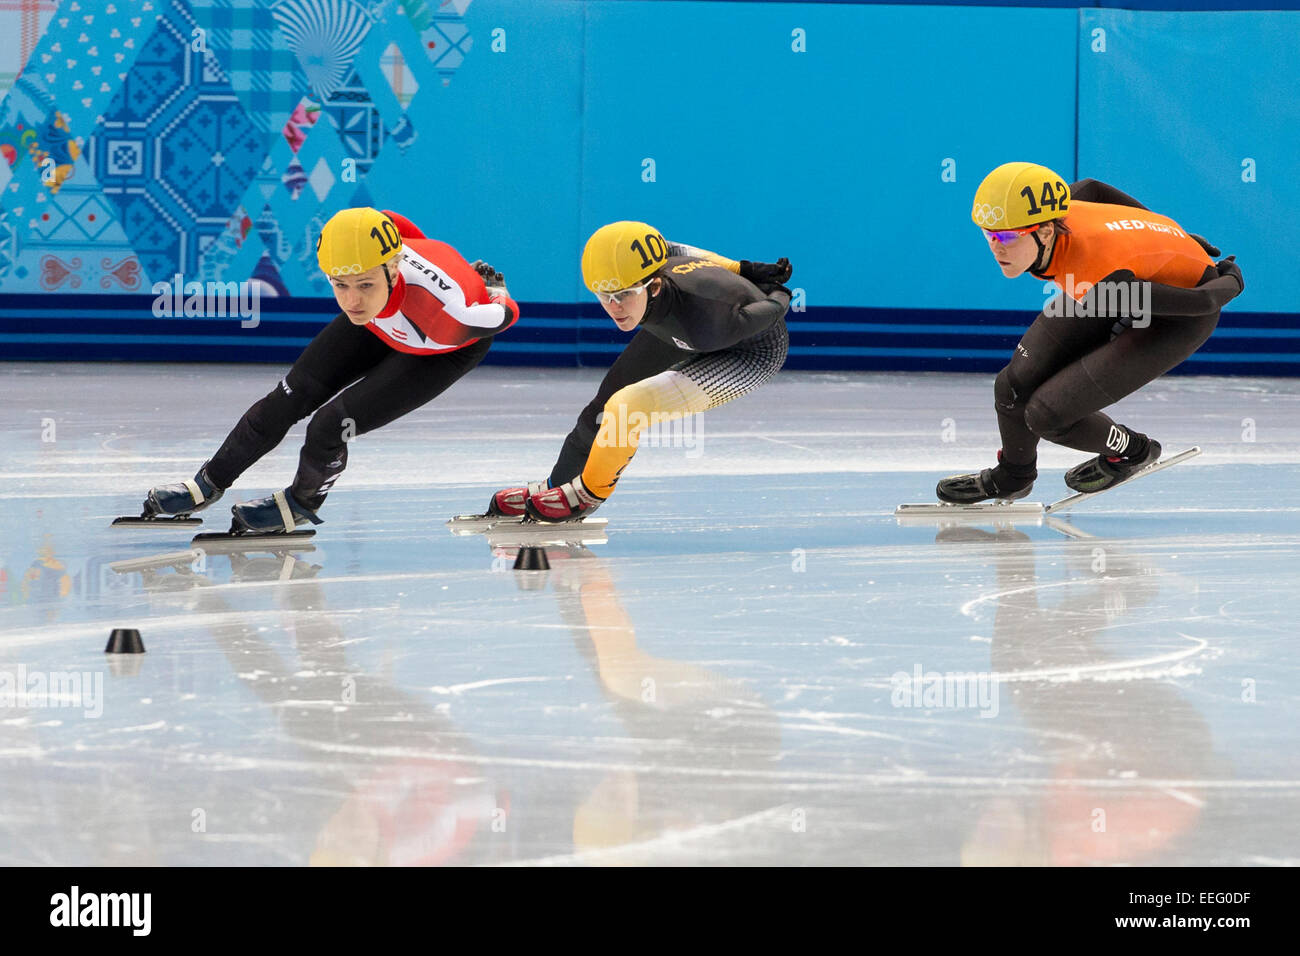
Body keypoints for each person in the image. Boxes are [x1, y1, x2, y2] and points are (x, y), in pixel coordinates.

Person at [138, 207, 519, 533]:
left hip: (438, 348)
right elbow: (396, 224)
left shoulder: (446, 315)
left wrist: (492, 288)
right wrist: (377, 286)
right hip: (380, 319)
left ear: (392, 268)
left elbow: (507, 313)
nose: (352, 300)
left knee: (330, 425)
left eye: (364, 284)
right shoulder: (366, 264)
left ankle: (301, 503)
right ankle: (207, 483)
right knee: (286, 398)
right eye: (340, 285)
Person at [937, 162, 1244, 503]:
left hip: (1179, 314)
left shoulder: (1100, 276)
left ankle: (1134, 451)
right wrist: (1165, 233)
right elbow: (1093, 187)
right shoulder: (1063, 207)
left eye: (1008, 236)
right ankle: (1013, 476)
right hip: (1122, 282)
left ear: (1046, 232)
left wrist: (1230, 280)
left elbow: (1203, 303)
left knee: (1047, 415)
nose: (997, 247)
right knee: (1011, 386)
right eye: (989, 234)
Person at [486, 222, 792, 521]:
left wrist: (779, 294)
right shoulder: (647, 269)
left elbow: (773, 310)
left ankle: (585, 496)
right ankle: (555, 486)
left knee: (627, 406)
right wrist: (741, 267)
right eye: (604, 297)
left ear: (654, 285)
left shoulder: (704, 325)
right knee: (600, 409)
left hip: (751, 352)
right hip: (677, 321)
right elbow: (674, 246)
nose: (615, 307)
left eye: (624, 295)